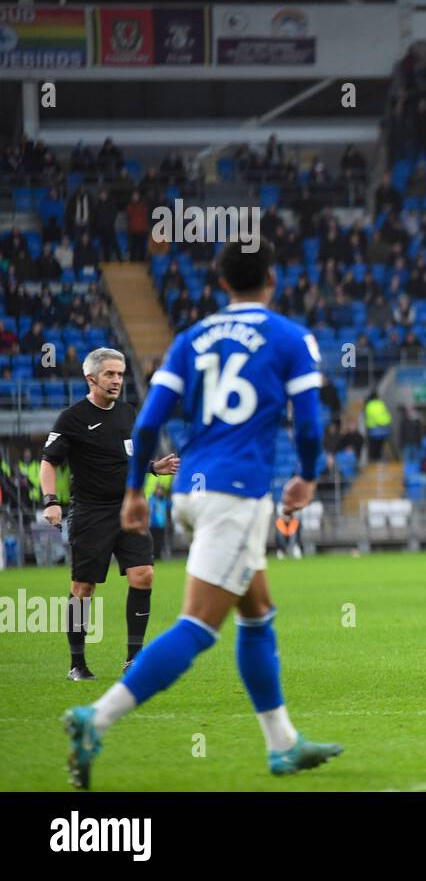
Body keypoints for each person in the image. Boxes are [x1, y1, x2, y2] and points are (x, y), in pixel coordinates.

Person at [63, 240, 340, 790]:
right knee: (198, 626)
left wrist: (138, 489)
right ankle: (98, 717)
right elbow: (308, 424)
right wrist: (308, 475)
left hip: (190, 487)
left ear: (220, 284)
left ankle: (283, 743)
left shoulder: (192, 338)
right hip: (235, 495)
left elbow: (146, 423)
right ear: (272, 279)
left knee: (257, 611)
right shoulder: (289, 337)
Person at [41, 347, 180, 681]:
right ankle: (77, 663)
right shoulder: (71, 418)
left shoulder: (127, 413)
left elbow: (122, 458)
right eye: (110, 374)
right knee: (83, 588)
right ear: (91, 378)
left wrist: (152, 468)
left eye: (120, 374)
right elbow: (49, 461)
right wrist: (50, 500)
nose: (117, 380)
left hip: (127, 508)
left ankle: (134, 659)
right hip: (90, 513)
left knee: (143, 574)